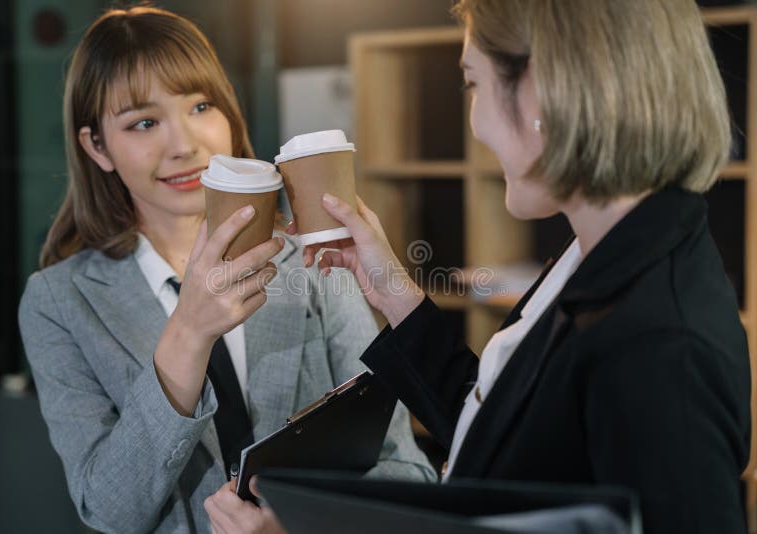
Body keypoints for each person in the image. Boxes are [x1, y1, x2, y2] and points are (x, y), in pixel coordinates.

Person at [293, 0, 751, 532]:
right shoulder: (600, 255)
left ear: (544, 90)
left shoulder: (661, 345)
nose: (476, 124)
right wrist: (392, 289)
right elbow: (501, 428)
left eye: (473, 83)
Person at [17, 6, 435, 534]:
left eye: (201, 106)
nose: (185, 145)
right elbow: (108, 510)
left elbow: (407, 472)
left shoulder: (313, 262)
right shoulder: (59, 300)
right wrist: (188, 333)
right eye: (144, 122)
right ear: (96, 146)